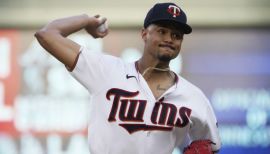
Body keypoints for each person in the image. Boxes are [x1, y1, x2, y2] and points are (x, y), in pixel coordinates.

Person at [35, 2, 221, 154]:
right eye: (162, 31)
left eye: (176, 35)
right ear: (144, 34)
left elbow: (210, 146)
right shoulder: (106, 72)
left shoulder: (194, 97)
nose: (170, 39)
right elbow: (47, 35)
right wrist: (86, 21)